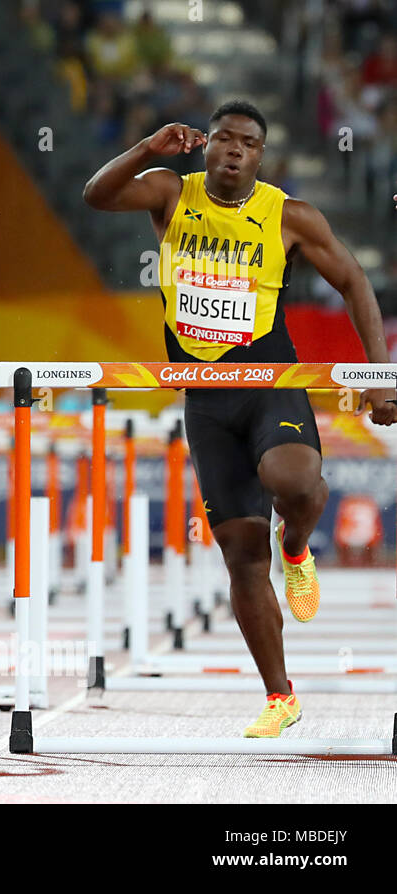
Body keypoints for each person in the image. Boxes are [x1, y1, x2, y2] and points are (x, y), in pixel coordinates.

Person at [83, 100, 397, 738]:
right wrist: (146, 147)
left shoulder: (289, 216)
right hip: (204, 397)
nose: (232, 149)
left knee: (294, 482)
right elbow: (96, 195)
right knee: (240, 554)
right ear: (206, 147)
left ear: (261, 155)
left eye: (246, 143)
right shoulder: (172, 193)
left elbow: (356, 282)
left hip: (269, 382)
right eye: (222, 138)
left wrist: (382, 374)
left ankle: (299, 543)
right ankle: (280, 695)